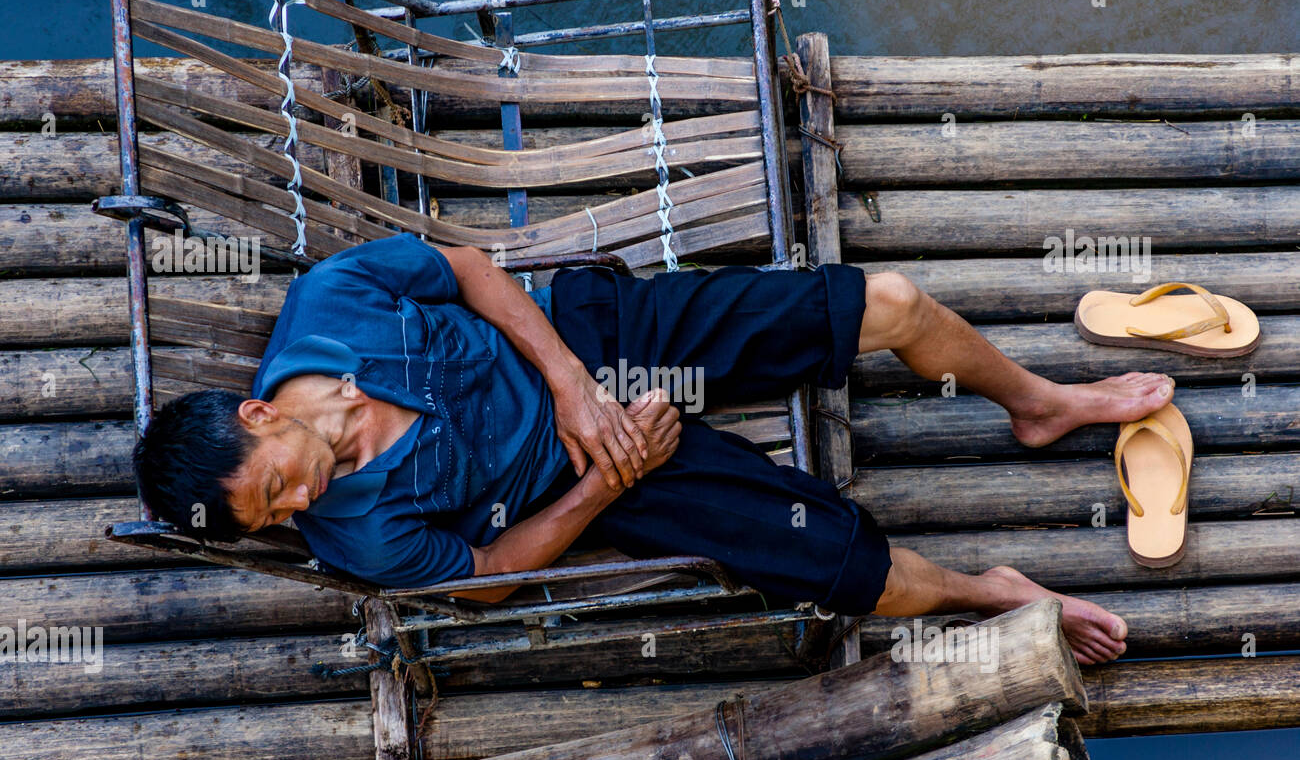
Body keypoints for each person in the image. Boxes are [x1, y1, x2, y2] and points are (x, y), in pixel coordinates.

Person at [134, 234, 1163, 664]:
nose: (297, 505)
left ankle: (1040, 401)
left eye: (276, 487)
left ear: (260, 414)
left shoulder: (328, 303)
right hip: (597, 481)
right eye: (276, 519)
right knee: (860, 573)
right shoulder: (351, 536)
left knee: (881, 302)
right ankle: (991, 588)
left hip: (582, 344)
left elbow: (469, 272)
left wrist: (577, 388)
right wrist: (602, 474)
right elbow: (486, 576)